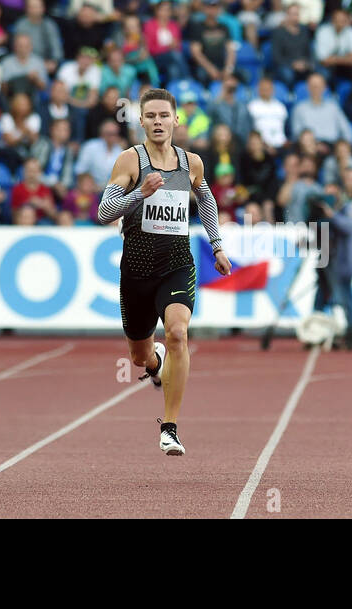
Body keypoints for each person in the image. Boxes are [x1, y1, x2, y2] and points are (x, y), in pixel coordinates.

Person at [95, 88, 231, 456]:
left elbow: (205, 197)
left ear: (176, 120)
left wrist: (216, 244)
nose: (158, 122)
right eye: (151, 116)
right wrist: (140, 193)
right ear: (140, 121)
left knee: (177, 333)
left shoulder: (191, 163)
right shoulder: (130, 161)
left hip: (177, 263)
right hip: (137, 271)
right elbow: (104, 212)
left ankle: (169, 427)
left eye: (163, 116)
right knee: (139, 357)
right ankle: (153, 364)